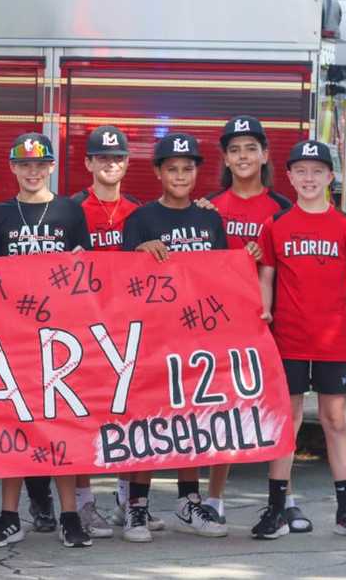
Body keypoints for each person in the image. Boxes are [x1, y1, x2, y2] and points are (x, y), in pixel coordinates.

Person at [252, 140, 346, 540]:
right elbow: (267, 275)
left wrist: (345, 312)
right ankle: (276, 510)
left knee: (334, 420)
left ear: (330, 177)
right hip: (288, 338)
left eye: (317, 171)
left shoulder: (345, 226)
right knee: (287, 421)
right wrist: (265, 314)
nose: (308, 178)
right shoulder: (277, 225)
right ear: (288, 177)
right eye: (301, 171)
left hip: (331, 339)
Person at [0, 132, 93, 549]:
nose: (32, 171)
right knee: (15, 423)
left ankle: (69, 516)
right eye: (23, 165)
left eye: (39, 164)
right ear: (12, 168)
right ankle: (9, 516)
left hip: (62, 337)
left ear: (50, 168)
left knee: (61, 423)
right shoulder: (0, 215)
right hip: (13, 336)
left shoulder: (68, 210)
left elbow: (87, 272)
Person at [121, 132, 230, 543]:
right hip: (152, 336)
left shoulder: (209, 218)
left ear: (197, 172)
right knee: (147, 422)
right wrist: (138, 253)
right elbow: (122, 285)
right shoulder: (142, 219)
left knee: (191, 419)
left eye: (188, 169)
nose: (181, 175)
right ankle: (137, 507)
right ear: (158, 172)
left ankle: (188, 503)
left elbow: (223, 277)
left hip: (198, 335)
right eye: (172, 169)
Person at [202, 116, 292, 527]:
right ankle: (214, 498)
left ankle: (282, 499)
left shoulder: (282, 209)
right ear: (224, 157)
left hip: (269, 325)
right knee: (225, 410)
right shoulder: (208, 208)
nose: (242, 156)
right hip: (222, 328)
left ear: (265, 155)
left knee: (275, 411)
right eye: (234, 149)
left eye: (250, 148)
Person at [67, 125, 138, 541]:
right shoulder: (72, 210)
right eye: (102, 158)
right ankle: (83, 503)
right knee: (81, 420)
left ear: (126, 164)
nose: (110, 163)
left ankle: (129, 503)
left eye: (118, 158)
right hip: (83, 334)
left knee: (128, 418)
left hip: (128, 334)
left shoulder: (139, 212)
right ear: (89, 164)